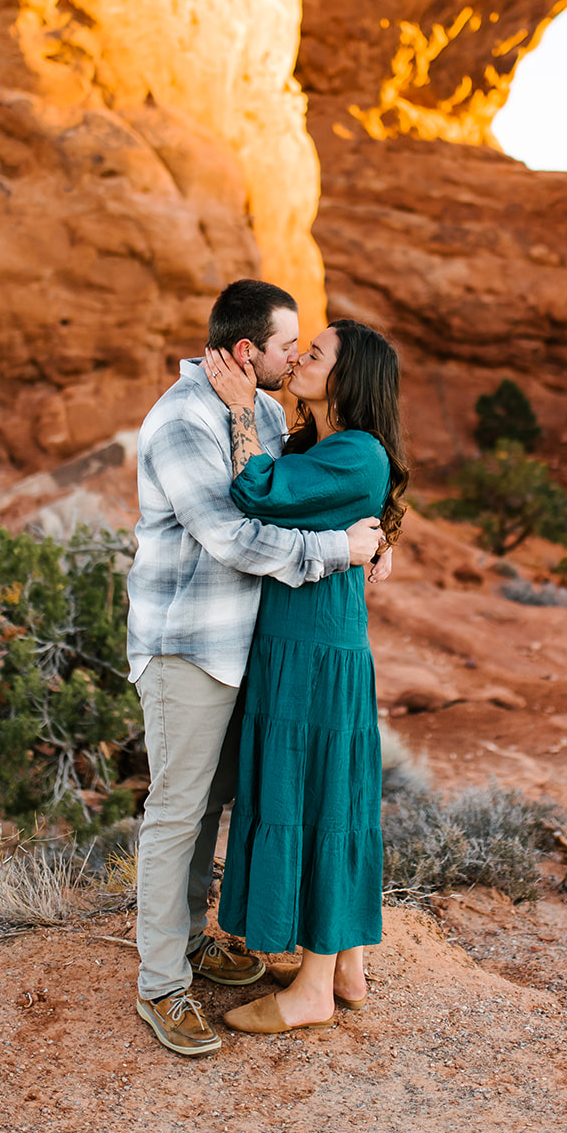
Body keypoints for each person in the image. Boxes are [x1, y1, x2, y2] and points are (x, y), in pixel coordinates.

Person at [127, 280, 388, 1059]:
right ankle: (161, 987)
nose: (294, 357)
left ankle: (193, 940)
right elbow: (234, 537)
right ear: (249, 351)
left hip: (252, 649)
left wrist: (378, 532)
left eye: (307, 349)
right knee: (177, 811)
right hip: (190, 647)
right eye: (287, 346)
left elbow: (320, 488)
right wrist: (341, 552)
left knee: (211, 804)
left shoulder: (269, 412)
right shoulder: (180, 422)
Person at [203, 317, 407, 1034]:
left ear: (348, 378)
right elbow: (336, 511)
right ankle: (345, 964)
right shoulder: (321, 445)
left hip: (314, 652)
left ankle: (313, 990)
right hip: (301, 642)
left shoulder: (356, 452)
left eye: (313, 354)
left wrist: (235, 411)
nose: (298, 358)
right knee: (332, 795)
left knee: (322, 801)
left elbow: (257, 491)